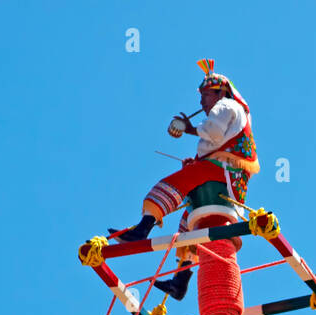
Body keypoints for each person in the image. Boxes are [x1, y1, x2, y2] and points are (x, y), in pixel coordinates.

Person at [111, 59, 260, 301]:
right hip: (226, 176)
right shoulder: (233, 112)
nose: (201, 102)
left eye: (205, 95)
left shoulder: (226, 105)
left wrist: (189, 129)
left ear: (220, 92)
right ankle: (182, 278)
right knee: (191, 217)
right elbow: (214, 142)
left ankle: (142, 229)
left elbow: (212, 132)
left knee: (175, 184)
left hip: (222, 172)